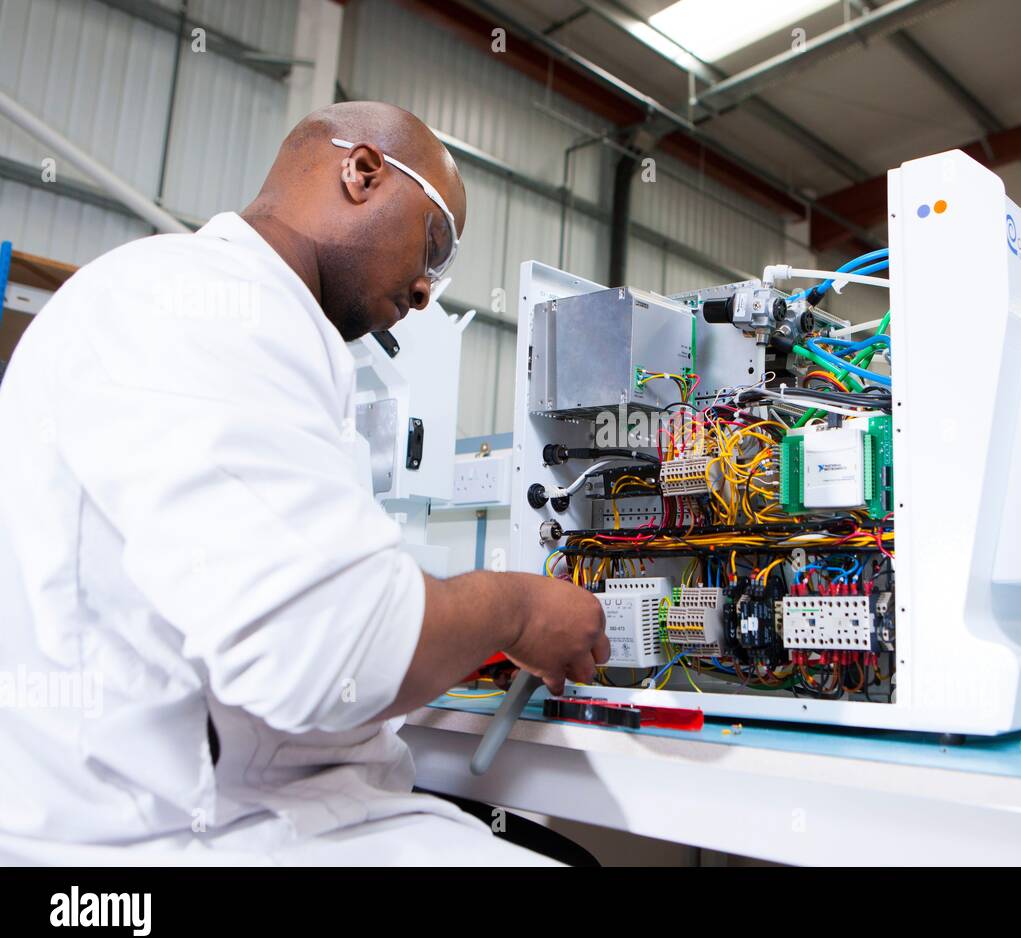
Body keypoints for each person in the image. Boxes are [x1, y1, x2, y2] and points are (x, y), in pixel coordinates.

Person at [0, 101, 609, 865]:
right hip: (174, 836)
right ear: (362, 172)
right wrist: (515, 610)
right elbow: (338, 653)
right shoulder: (206, 307)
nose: (426, 290)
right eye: (435, 242)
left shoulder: (219, 310)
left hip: (213, 803)